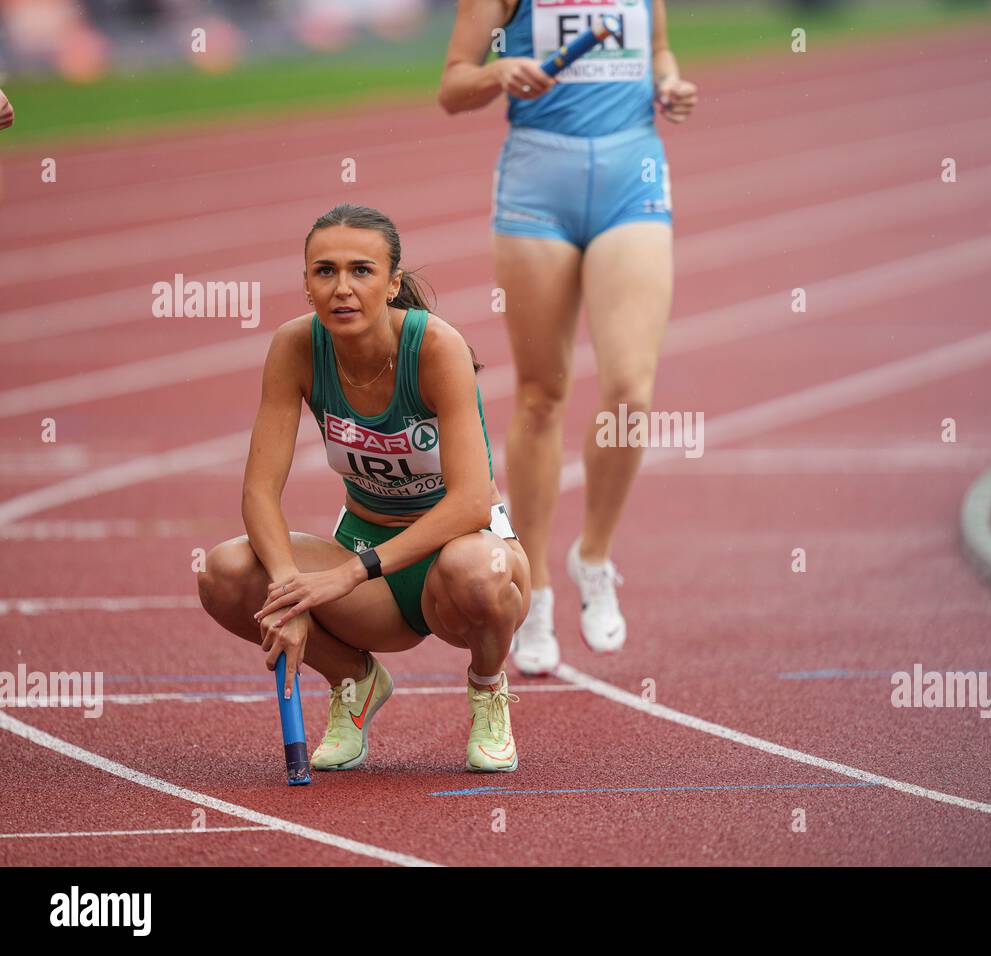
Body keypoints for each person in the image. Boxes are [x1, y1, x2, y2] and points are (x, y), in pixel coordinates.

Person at [196, 204, 531, 773]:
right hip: (369, 571)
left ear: (392, 282)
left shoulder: (434, 346)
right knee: (225, 572)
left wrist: (351, 572)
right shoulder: (295, 347)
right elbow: (259, 492)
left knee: (479, 573)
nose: (342, 289)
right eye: (324, 271)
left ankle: (487, 688)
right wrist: (286, 593)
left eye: (362, 271)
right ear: (305, 284)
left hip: (462, 554)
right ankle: (354, 683)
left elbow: (473, 499)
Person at [437, 0, 698, 676]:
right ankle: (537, 588)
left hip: (632, 179)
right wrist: (500, 72)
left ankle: (594, 557)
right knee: (541, 397)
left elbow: (659, 52)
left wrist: (670, 83)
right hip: (536, 186)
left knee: (631, 393)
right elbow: (452, 85)